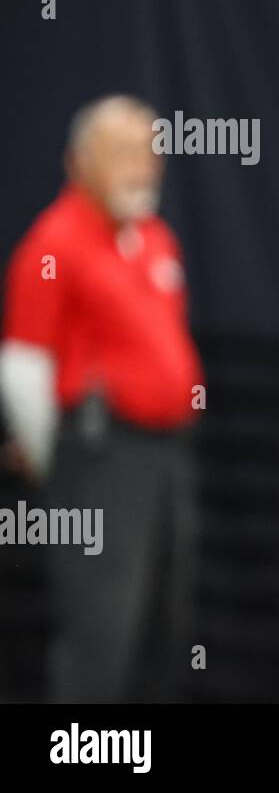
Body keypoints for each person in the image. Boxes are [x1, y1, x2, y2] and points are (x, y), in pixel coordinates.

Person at [0, 95, 202, 702]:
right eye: (124, 154)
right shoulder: (54, 244)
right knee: (103, 629)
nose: (143, 168)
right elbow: (22, 366)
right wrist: (57, 463)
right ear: (79, 161)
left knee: (163, 625)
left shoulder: (155, 240)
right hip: (100, 458)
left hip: (166, 459)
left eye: (150, 153)